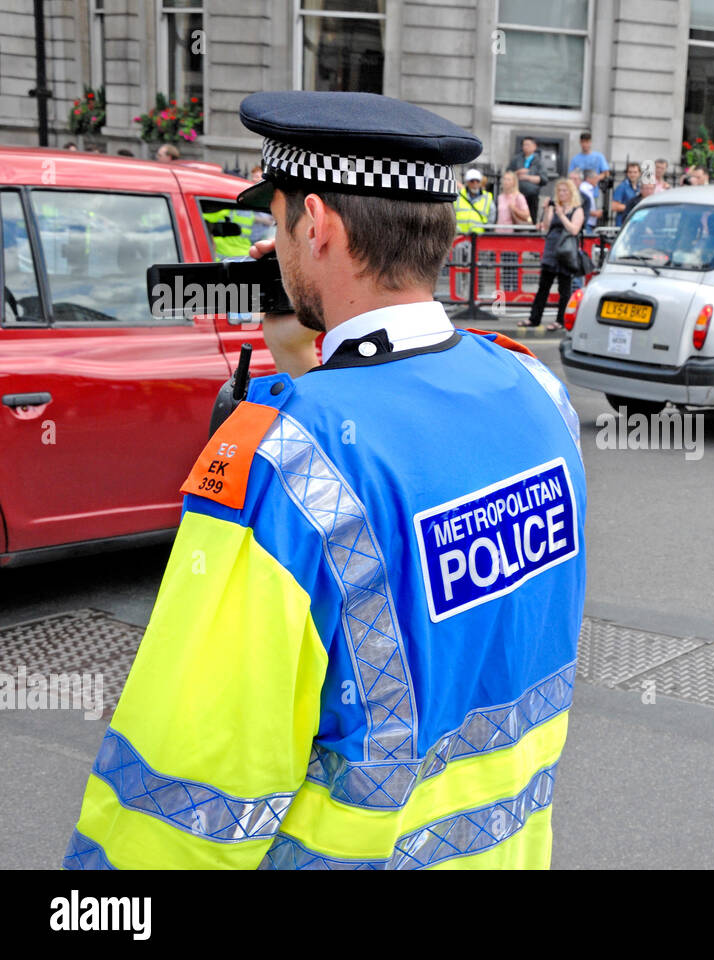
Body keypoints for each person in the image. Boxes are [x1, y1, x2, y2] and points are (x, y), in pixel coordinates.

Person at [63, 90, 585, 871]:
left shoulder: (282, 462)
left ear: (317, 225)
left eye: (276, 226)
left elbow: (184, 797)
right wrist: (303, 363)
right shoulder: (536, 394)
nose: (274, 247)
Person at [524, 179, 585, 331]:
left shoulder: (577, 210)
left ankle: (560, 321)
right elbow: (545, 226)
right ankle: (534, 319)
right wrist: (546, 210)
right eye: (560, 191)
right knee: (543, 288)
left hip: (566, 253)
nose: (562, 194)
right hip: (551, 251)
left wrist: (562, 215)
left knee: (564, 290)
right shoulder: (554, 207)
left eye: (565, 191)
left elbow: (574, 230)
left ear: (571, 193)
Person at [509, 136, 549, 220]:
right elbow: (508, 173)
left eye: (528, 144)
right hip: (517, 193)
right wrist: (517, 173)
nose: (525, 147)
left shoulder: (539, 161)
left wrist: (527, 177)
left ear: (535, 146)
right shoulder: (516, 159)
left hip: (532, 195)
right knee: (516, 217)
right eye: (524, 145)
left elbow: (544, 179)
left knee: (532, 217)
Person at [452, 168, 494, 234]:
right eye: (472, 181)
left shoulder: (487, 197)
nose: (475, 184)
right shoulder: (458, 196)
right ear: (467, 182)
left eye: (477, 181)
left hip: (479, 238)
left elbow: (491, 218)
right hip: (459, 237)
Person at [611, 161, 642, 227]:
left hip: (636, 223)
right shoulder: (622, 187)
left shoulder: (640, 188)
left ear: (639, 173)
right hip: (623, 223)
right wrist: (632, 207)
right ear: (627, 173)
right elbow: (614, 206)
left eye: (635, 172)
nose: (632, 174)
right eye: (630, 172)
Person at [580, 167, 603, 233]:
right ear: (588, 179)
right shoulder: (584, 189)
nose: (597, 180)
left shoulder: (590, 189)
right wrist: (595, 213)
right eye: (595, 178)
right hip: (587, 222)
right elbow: (581, 207)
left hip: (590, 223)